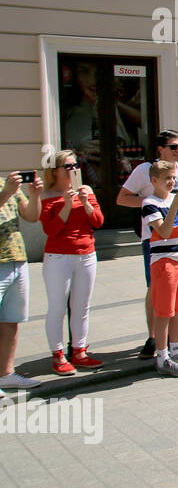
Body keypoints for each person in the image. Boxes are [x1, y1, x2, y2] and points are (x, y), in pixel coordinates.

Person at [117, 130, 178, 359]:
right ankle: (153, 338)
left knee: (176, 294)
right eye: (174, 146)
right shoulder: (144, 170)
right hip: (154, 238)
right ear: (160, 149)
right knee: (156, 289)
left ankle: (173, 339)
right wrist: (155, 204)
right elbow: (122, 198)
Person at [38, 151, 105, 375]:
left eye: (75, 165)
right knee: (57, 308)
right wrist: (66, 205)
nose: (73, 169)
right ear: (55, 170)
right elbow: (50, 230)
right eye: (68, 166)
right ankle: (58, 355)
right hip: (58, 257)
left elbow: (98, 221)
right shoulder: (47, 194)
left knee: (81, 307)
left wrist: (85, 201)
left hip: (86, 254)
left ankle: (79, 351)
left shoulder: (86, 190)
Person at [141, 160, 178, 377]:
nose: (171, 182)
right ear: (154, 180)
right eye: (167, 178)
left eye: (173, 178)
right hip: (164, 262)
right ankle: (162, 355)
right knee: (164, 311)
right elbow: (163, 232)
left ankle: (176, 351)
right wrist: (174, 206)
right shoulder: (149, 202)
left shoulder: (176, 200)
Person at [0, 171, 42, 394]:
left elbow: (32, 216)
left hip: (18, 260)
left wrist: (35, 196)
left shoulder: (8, 186)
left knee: (11, 321)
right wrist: (6, 193)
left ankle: (6, 374)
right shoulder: (7, 188)